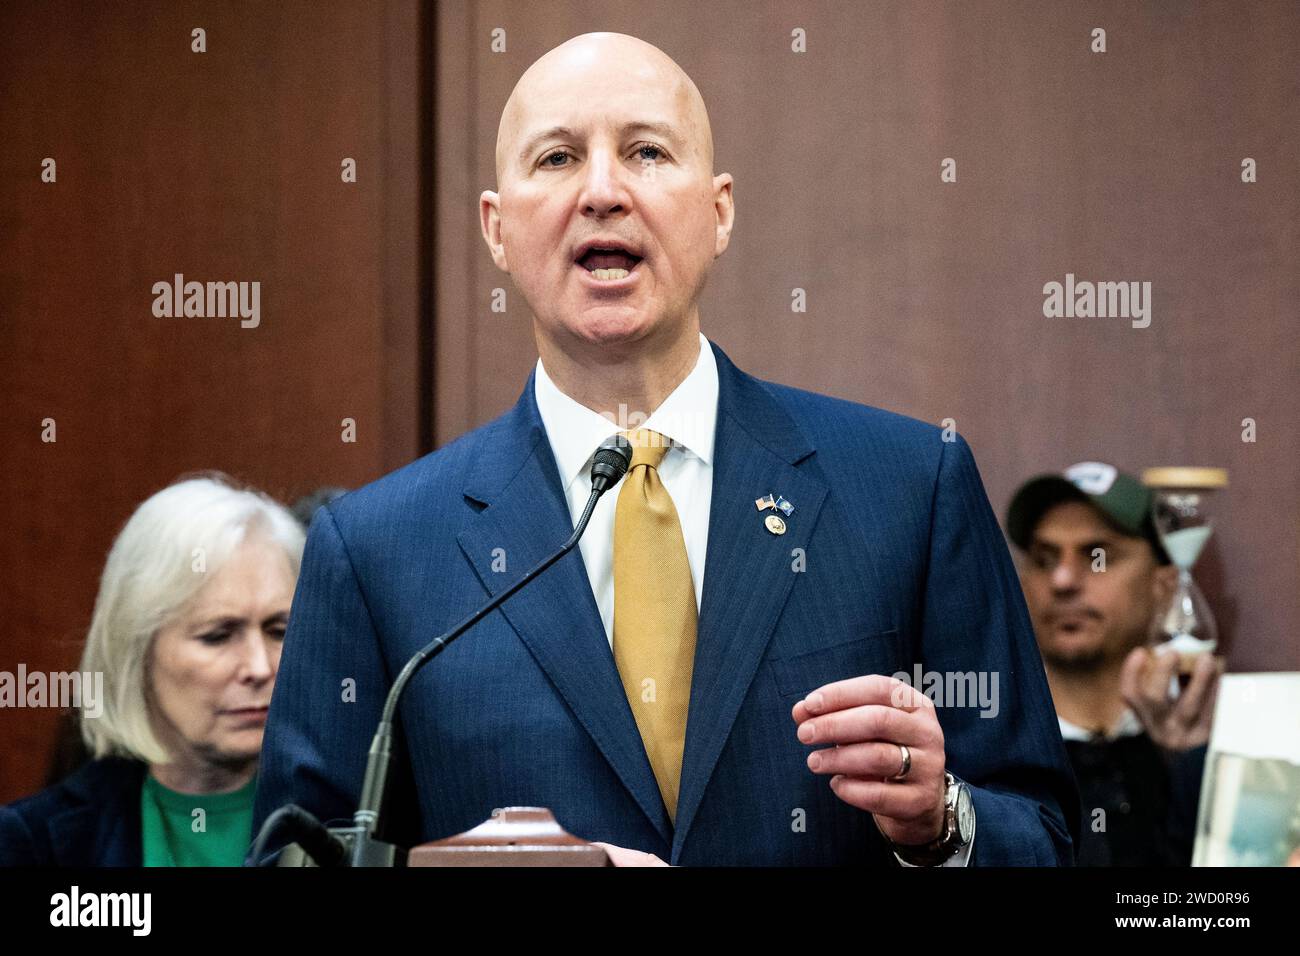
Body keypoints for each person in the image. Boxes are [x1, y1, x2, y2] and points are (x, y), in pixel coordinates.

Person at [252, 32, 1078, 866]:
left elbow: (1045, 834)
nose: (603, 191)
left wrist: (942, 823)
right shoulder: (377, 550)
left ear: (719, 211)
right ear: (496, 231)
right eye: (557, 158)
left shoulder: (907, 486)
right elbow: (295, 855)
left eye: (646, 151)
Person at [0, 475, 304, 866]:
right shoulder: (35, 843)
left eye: (279, 631)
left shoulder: (357, 819)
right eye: (217, 635)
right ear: (137, 649)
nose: (259, 667)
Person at [1006, 461, 1221, 866]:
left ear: (1167, 585)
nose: (1063, 580)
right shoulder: (988, 742)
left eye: (1097, 556)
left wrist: (1189, 764)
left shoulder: (1221, 737)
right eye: (1044, 558)